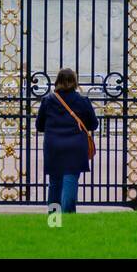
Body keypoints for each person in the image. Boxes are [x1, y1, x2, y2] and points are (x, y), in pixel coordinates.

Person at [35, 67, 97, 213]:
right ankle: (68, 217)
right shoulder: (82, 101)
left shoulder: (48, 101)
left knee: (54, 184)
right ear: (75, 82)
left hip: (54, 146)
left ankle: (54, 219)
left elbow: (39, 126)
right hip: (75, 146)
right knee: (70, 181)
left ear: (57, 81)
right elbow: (93, 124)